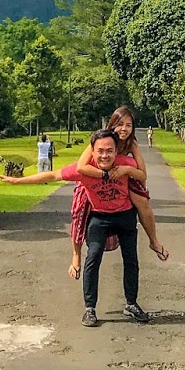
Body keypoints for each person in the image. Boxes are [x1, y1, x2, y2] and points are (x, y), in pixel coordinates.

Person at [0, 128, 151, 326]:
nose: (105, 155)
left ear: (116, 151)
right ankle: (90, 308)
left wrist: (129, 169)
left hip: (124, 215)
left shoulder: (125, 164)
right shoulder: (85, 169)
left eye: (109, 150)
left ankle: (131, 304)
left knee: (131, 259)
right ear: (93, 151)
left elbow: (142, 176)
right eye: (100, 151)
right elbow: (53, 176)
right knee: (93, 257)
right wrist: (18, 181)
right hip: (100, 217)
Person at [72, 106, 168, 264]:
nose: (124, 129)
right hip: (95, 178)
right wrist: (104, 175)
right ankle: (76, 255)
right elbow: (81, 167)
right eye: (120, 124)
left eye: (128, 125)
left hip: (121, 177)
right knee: (79, 208)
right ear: (112, 124)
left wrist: (129, 171)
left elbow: (142, 174)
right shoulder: (101, 139)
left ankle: (154, 241)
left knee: (143, 202)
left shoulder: (132, 144)